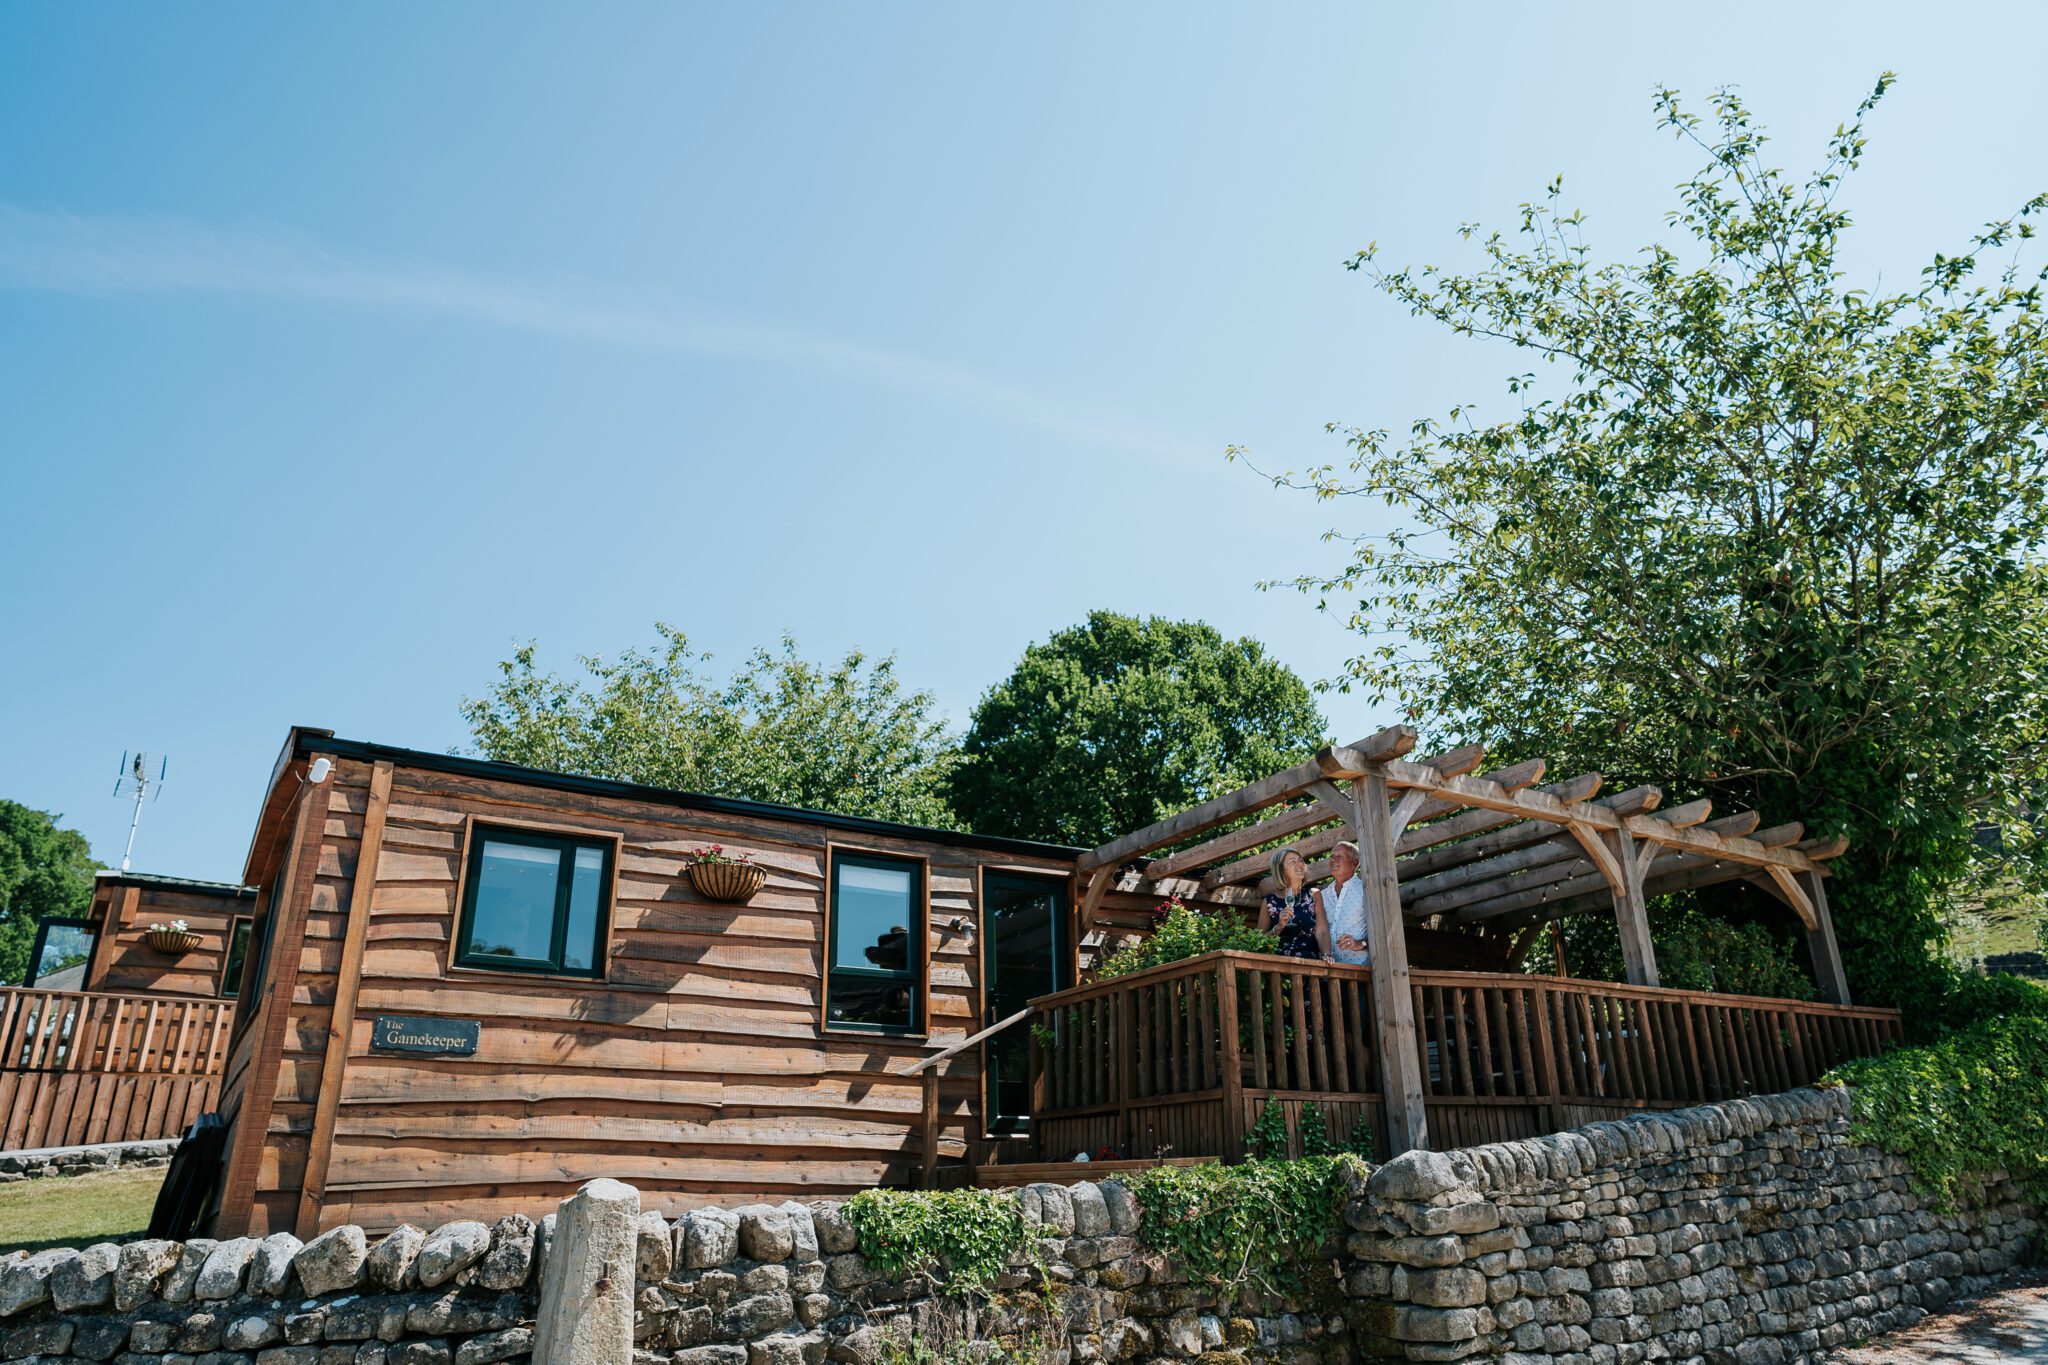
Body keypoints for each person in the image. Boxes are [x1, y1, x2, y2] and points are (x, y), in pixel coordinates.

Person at [1259, 847, 1329, 959]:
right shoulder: (1269, 901)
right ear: (1281, 870)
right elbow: (1258, 941)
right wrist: (1279, 927)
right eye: (1292, 861)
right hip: (1278, 965)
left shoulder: (1314, 895)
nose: (1299, 863)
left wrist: (1327, 954)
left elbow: (1322, 931)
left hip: (1309, 964)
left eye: (1300, 860)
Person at [1321, 840, 1371, 967]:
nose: (1333, 860)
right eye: (1332, 856)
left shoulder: (1366, 890)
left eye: (1339, 857)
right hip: (1327, 970)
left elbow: (1382, 932)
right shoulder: (1322, 895)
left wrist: (1360, 944)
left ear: (1354, 863)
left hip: (1358, 970)